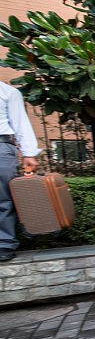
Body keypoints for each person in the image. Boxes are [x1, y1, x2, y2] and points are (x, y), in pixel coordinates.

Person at [0, 80, 41, 262]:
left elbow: (20, 123)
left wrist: (29, 153)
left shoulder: (8, 92)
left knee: (3, 198)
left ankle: (4, 243)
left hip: (1, 145)